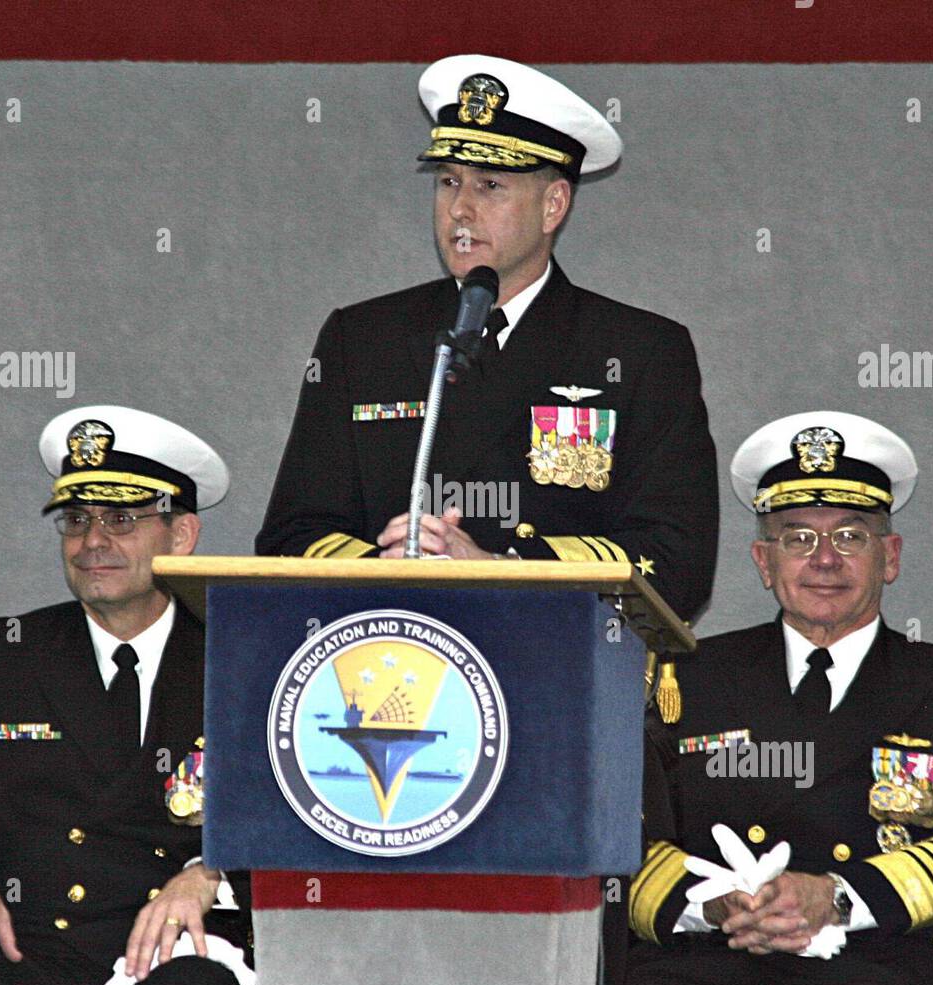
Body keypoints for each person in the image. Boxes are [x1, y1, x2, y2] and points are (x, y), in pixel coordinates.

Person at [256, 53, 719, 625]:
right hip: (390, 657)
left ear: (554, 205)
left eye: (490, 185)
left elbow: (678, 562)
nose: (460, 209)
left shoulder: (641, 351)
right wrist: (389, 562)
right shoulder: (363, 339)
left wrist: (499, 566)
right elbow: (291, 536)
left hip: (555, 668)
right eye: (449, 182)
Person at [625, 410, 933, 985]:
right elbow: (620, 838)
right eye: (797, 538)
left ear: (890, 557)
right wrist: (708, 902)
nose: (824, 559)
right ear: (764, 562)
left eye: (851, 537)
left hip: (875, 960)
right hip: (707, 957)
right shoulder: (683, 675)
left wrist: (838, 895)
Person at [0, 406, 253, 985]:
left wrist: (207, 879)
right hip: (26, 949)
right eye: (77, 520)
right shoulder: (4, 655)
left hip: (175, 951)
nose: (92, 542)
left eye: (121, 519)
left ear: (182, 534)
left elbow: (287, 835)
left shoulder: (239, 659)